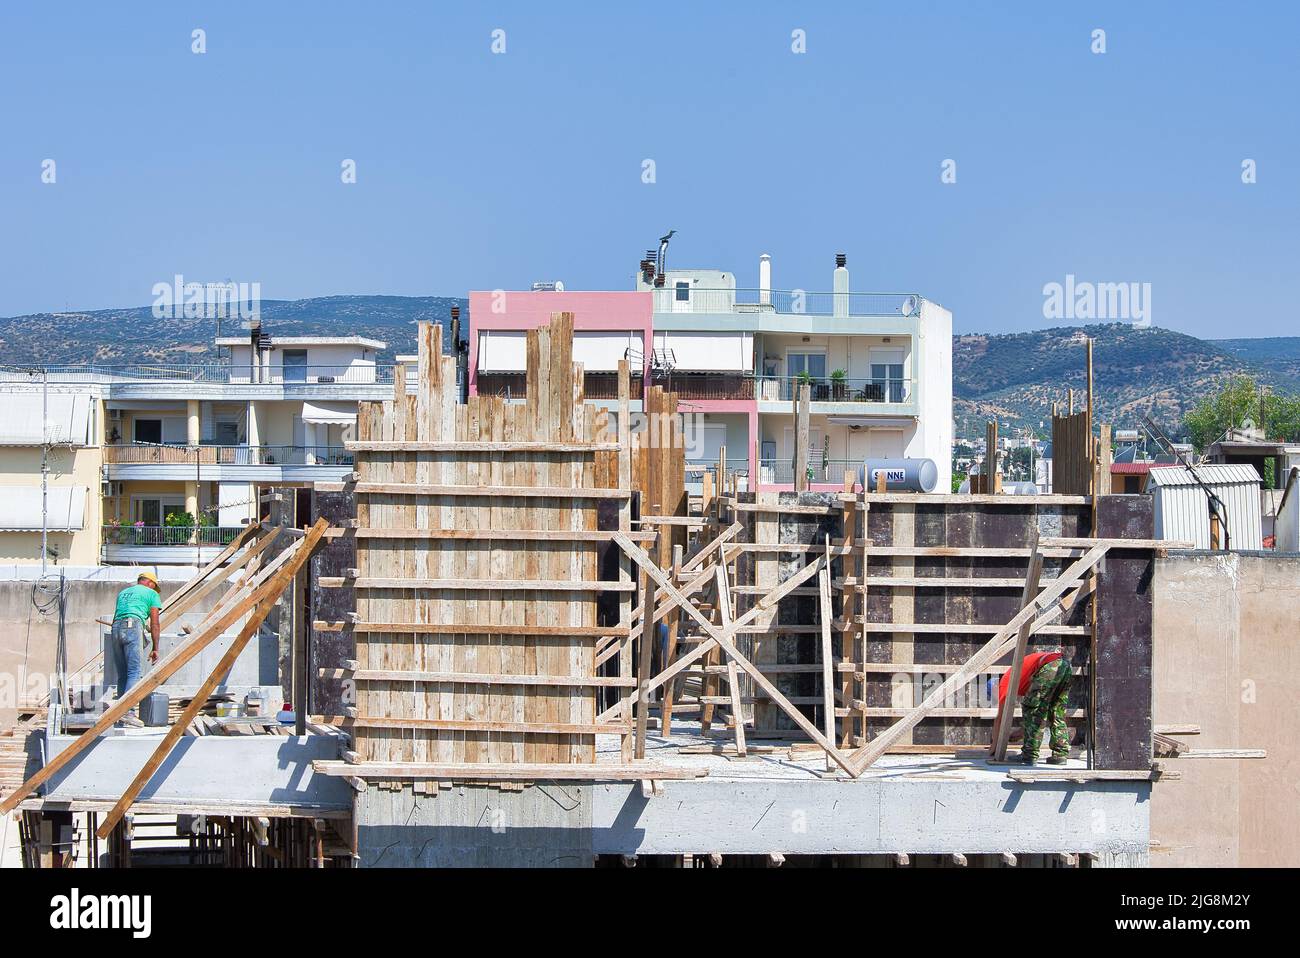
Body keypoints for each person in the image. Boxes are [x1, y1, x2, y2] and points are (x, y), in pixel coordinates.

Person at [990, 650, 1072, 765]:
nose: (995, 698)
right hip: (1064, 665)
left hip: (1049, 666)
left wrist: (993, 747)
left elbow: (1000, 719)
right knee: (1057, 710)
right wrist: (1021, 731)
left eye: (992, 695)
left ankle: (1029, 754)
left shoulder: (1003, 683)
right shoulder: (1018, 679)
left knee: (1032, 709)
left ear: (994, 687)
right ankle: (1060, 754)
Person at [111, 568, 162, 725]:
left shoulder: (123, 593)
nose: (154, 589)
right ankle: (128, 712)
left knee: (123, 675)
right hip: (133, 626)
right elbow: (155, 623)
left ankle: (120, 713)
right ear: (149, 583)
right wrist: (155, 648)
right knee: (134, 672)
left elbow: (119, 614)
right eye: (154, 586)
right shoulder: (152, 594)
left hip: (115, 628)